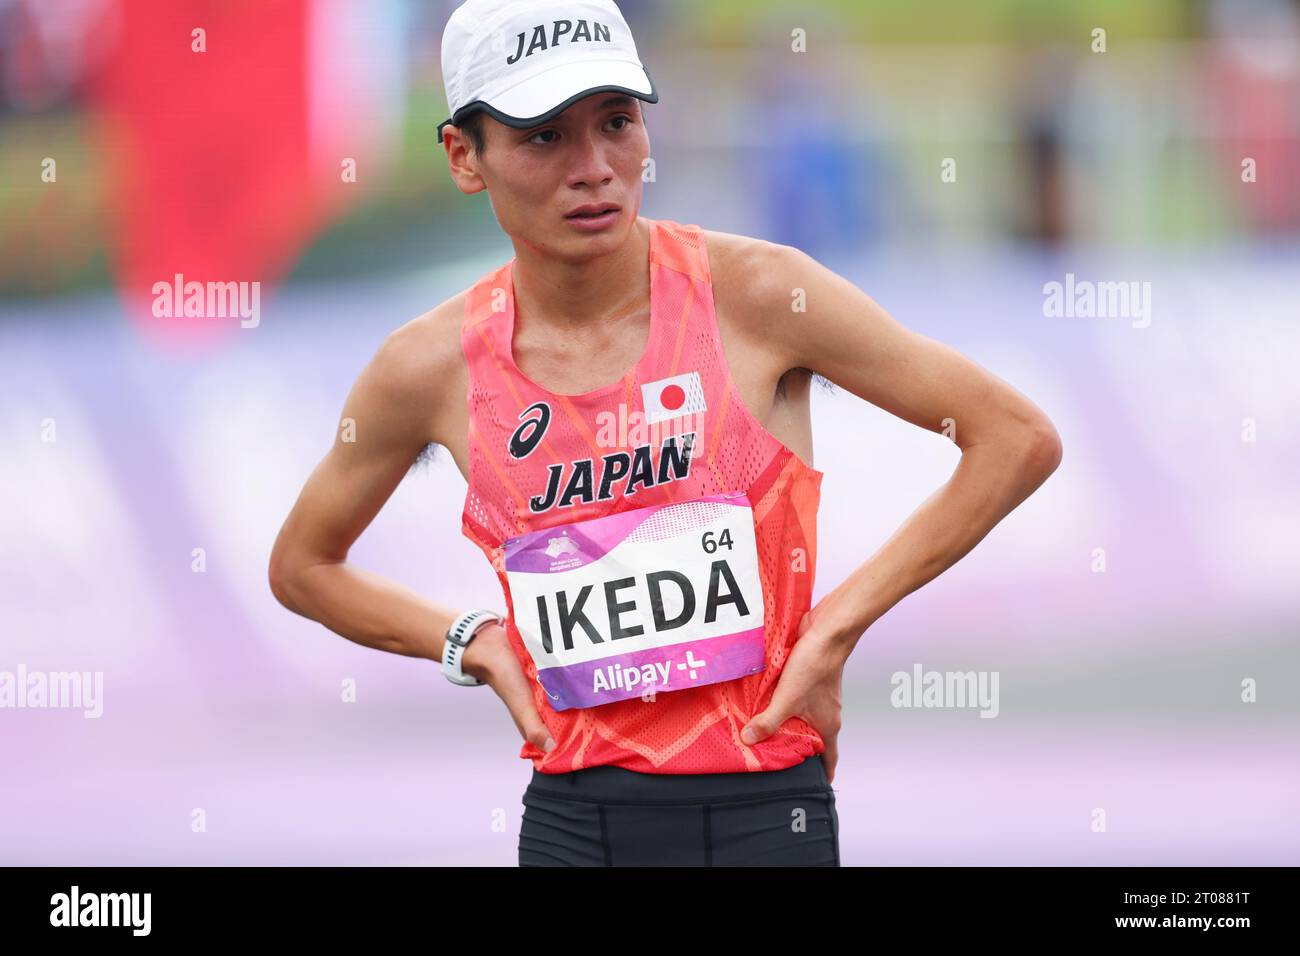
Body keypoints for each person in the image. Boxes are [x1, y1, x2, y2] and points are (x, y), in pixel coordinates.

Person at [268, 0, 1062, 867]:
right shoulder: (428, 366)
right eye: (544, 138)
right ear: (466, 157)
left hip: (767, 807)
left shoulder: (759, 293)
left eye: (617, 123)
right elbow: (304, 566)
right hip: (575, 825)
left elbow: (1014, 436)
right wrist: (475, 643)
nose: (596, 168)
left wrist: (835, 630)